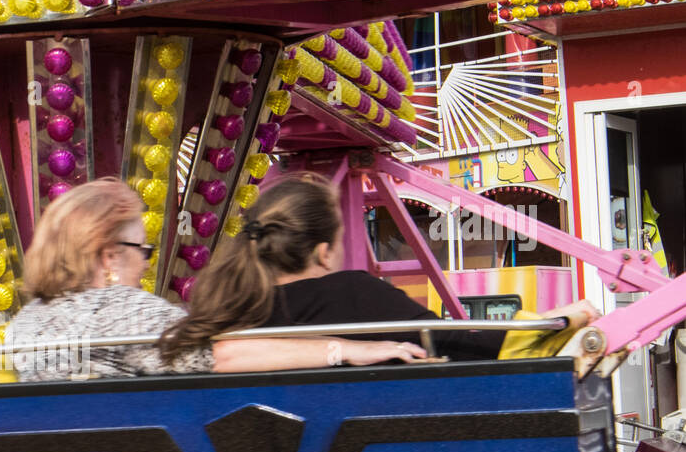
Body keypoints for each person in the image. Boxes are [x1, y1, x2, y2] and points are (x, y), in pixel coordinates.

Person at [4, 177, 426, 380]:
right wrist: (344, 351)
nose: (147, 263)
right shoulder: (117, 309)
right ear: (110, 256)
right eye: (142, 250)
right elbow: (217, 357)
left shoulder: (27, 322)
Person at [160, 174, 598, 366]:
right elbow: (462, 346)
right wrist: (556, 325)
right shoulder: (354, 296)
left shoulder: (222, 313)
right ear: (324, 252)